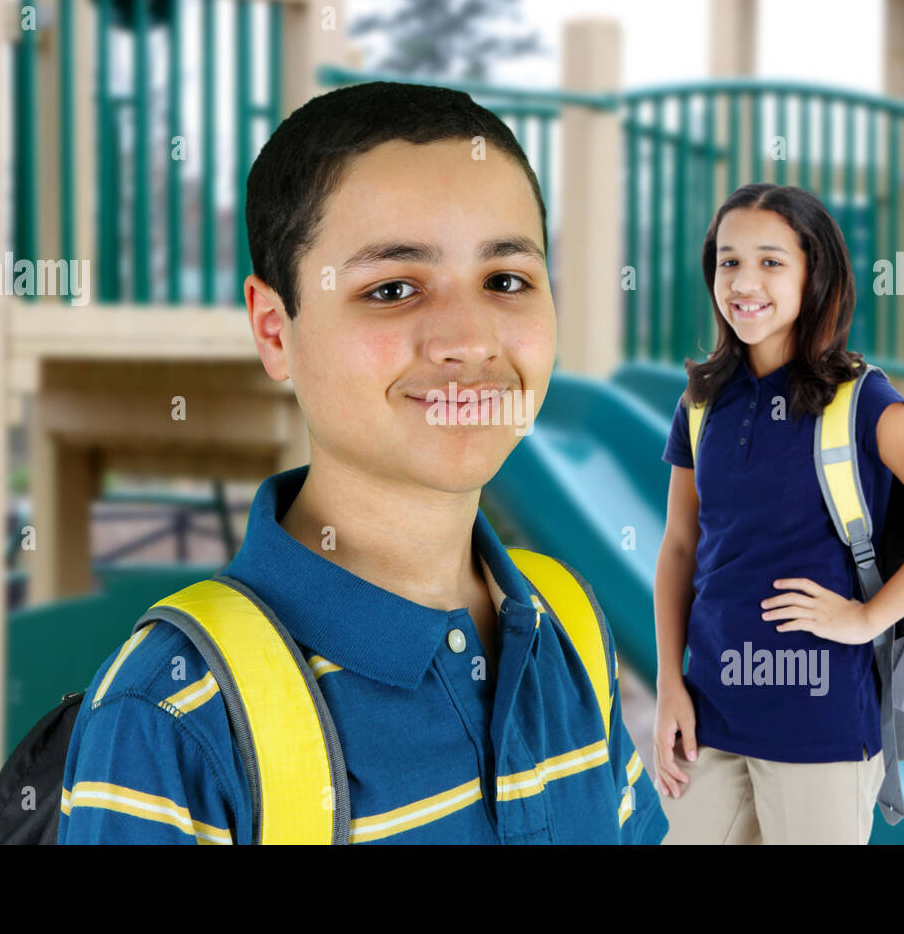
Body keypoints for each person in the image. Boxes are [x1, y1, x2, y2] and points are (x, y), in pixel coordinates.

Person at [58, 81, 666, 844]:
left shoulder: (567, 625)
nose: (469, 339)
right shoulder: (173, 715)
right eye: (393, 288)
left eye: (505, 280)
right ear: (275, 330)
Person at [651, 182, 904, 844]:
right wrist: (669, 683)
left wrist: (867, 617)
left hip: (822, 725)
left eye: (771, 261)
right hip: (711, 713)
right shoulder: (700, 401)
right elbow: (679, 548)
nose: (743, 281)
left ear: (815, 274)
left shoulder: (859, 400)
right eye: (728, 260)